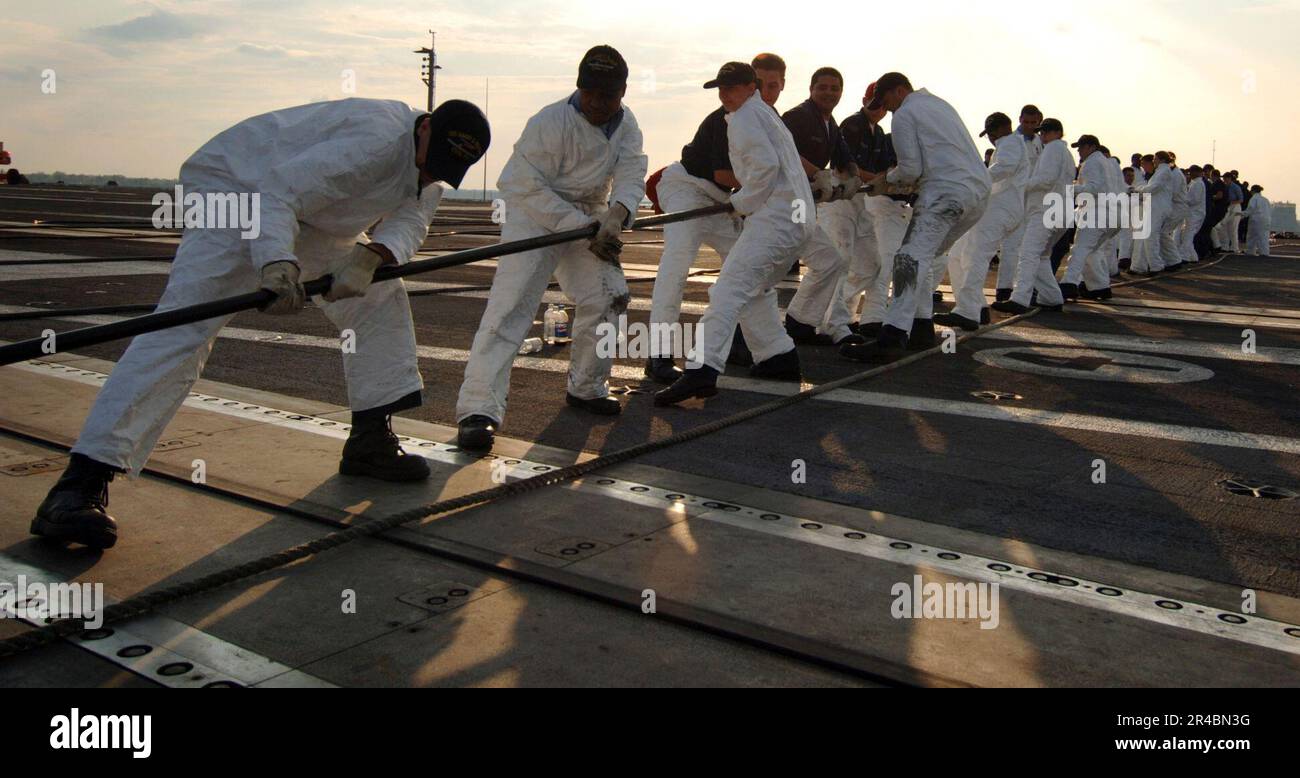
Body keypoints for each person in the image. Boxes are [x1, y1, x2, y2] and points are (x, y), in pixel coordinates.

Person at [32, 97, 490, 550]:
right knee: (182, 330)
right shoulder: (371, 140)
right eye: (431, 163)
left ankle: (370, 440)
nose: (432, 176)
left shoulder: (434, 165)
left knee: (379, 297)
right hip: (236, 193)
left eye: (444, 172)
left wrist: (375, 256)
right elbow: (275, 194)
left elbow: (412, 217)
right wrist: (276, 262)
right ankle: (79, 485)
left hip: (311, 215)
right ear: (425, 127)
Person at [456, 45, 647, 451]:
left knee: (608, 295)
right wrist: (582, 227)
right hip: (535, 211)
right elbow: (520, 184)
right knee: (511, 307)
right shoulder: (549, 121)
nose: (597, 103)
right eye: (589, 92)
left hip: (592, 214)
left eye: (607, 96)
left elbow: (633, 171)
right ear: (578, 87)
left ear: (623, 92)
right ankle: (478, 410)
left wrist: (619, 212)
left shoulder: (628, 126)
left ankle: (587, 386)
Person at [653, 63, 814, 406]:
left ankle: (701, 371)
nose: (724, 95)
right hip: (797, 221)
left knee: (726, 289)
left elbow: (765, 169)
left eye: (730, 87)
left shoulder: (743, 118)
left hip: (775, 219)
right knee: (754, 288)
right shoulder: (767, 115)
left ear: (749, 86)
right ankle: (778, 357)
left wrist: (740, 203)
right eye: (720, 88)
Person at [840, 72, 991, 362]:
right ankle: (921, 326)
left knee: (907, 259)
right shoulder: (939, 105)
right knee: (925, 256)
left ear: (899, 91)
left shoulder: (906, 113)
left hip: (945, 192)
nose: (887, 110)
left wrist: (886, 179)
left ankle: (893, 335)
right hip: (977, 194)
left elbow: (909, 168)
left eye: (886, 102)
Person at [643, 73, 742, 384]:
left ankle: (742, 340)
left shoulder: (766, 121)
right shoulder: (721, 120)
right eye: (721, 89)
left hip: (718, 199)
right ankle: (658, 355)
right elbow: (723, 174)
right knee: (677, 262)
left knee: (745, 264)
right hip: (686, 187)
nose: (724, 94)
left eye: (773, 85)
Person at [821, 81, 912, 339]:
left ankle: (836, 314)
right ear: (864, 100)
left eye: (881, 107)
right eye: (873, 105)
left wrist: (893, 180)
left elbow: (883, 170)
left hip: (862, 204)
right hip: (841, 202)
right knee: (840, 261)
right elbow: (848, 166)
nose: (877, 110)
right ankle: (833, 322)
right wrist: (881, 181)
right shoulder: (852, 125)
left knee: (871, 264)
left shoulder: (879, 133)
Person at [779, 67, 857, 346]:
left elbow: (844, 157)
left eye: (834, 88)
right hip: (783, 205)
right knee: (764, 272)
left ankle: (800, 322)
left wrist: (853, 177)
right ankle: (741, 336)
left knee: (829, 261)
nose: (829, 93)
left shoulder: (829, 124)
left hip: (803, 206)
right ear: (811, 89)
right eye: (822, 87)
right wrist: (817, 173)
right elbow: (786, 152)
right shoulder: (797, 117)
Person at [934, 111, 1027, 330]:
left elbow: (1005, 168)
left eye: (989, 134)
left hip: (1000, 210)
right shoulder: (1010, 144)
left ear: (996, 130)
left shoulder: (1009, 143)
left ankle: (967, 312)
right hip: (998, 209)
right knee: (957, 255)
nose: (990, 139)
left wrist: (977, 178)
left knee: (975, 257)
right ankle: (977, 307)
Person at [991, 118, 1073, 314]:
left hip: (1046, 210)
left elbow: (1046, 179)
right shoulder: (1066, 153)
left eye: (1044, 132)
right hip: (1061, 210)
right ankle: (1052, 297)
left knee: (1027, 253)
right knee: (1042, 256)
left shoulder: (1053, 148)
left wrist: (1021, 185)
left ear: (1057, 132)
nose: (1041, 136)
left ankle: (1020, 298)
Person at [1058, 134, 1116, 301]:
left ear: (1091, 147)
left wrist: (1068, 190)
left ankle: (1069, 284)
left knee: (1080, 249)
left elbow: (1094, 187)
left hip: (1096, 212)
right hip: (1111, 213)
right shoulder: (1106, 162)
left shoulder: (1091, 162)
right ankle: (1100, 287)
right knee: (1092, 251)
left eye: (1081, 147)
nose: (1079, 151)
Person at [994, 105, 1044, 301]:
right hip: (1013, 196)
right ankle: (1004, 288)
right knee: (1011, 245)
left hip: (1031, 198)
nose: (1030, 126)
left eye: (1033, 123)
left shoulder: (1039, 142)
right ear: (1020, 119)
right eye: (1026, 122)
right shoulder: (1012, 141)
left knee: (1027, 248)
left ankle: (1022, 287)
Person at [1130, 151, 1176, 274]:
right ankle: (1155, 264)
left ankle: (1156, 265)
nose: (1153, 161)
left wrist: (1136, 190)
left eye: (1155, 159)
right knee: (1150, 237)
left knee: (1150, 237)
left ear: (1160, 160)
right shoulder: (1162, 171)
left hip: (1158, 208)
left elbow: (1153, 188)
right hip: (1156, 207)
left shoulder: (1163, 172)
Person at [1177, 165, 1207, 264]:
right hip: (1193, 213)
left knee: (1187, 235)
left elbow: (1194, 200)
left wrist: (1182, 199)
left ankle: (1184, 256)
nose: (1190, 174)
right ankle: (1193, 256)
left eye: (1192, 172)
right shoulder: (1195, 183)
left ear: (1197, 172)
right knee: (1187, 234)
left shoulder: (1197, 184)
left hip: (1195, 213)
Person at [1214, 171, 1244, 252]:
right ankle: (1225, 246)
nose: (1224, 179)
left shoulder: (1236, 187)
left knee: (1233, 229)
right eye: (1224, 178)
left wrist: (1231, 202)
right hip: (1227, 207)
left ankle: (1234, 247)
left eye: (1226, 178)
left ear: (1230, 178)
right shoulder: (1224, 186)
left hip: (1235, 207)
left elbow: (1241, 199)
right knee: (1224, 228)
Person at [1244, 185, 1272, 255]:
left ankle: (1250, 252)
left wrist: (1241, 214)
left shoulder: (1254, 199)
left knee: (1252, 236)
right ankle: (1264, 252)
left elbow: (1250, 210)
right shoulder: (1265, 199)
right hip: (1266, 220)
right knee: (1264, 237)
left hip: (1256, 220)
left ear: (1253, 191)